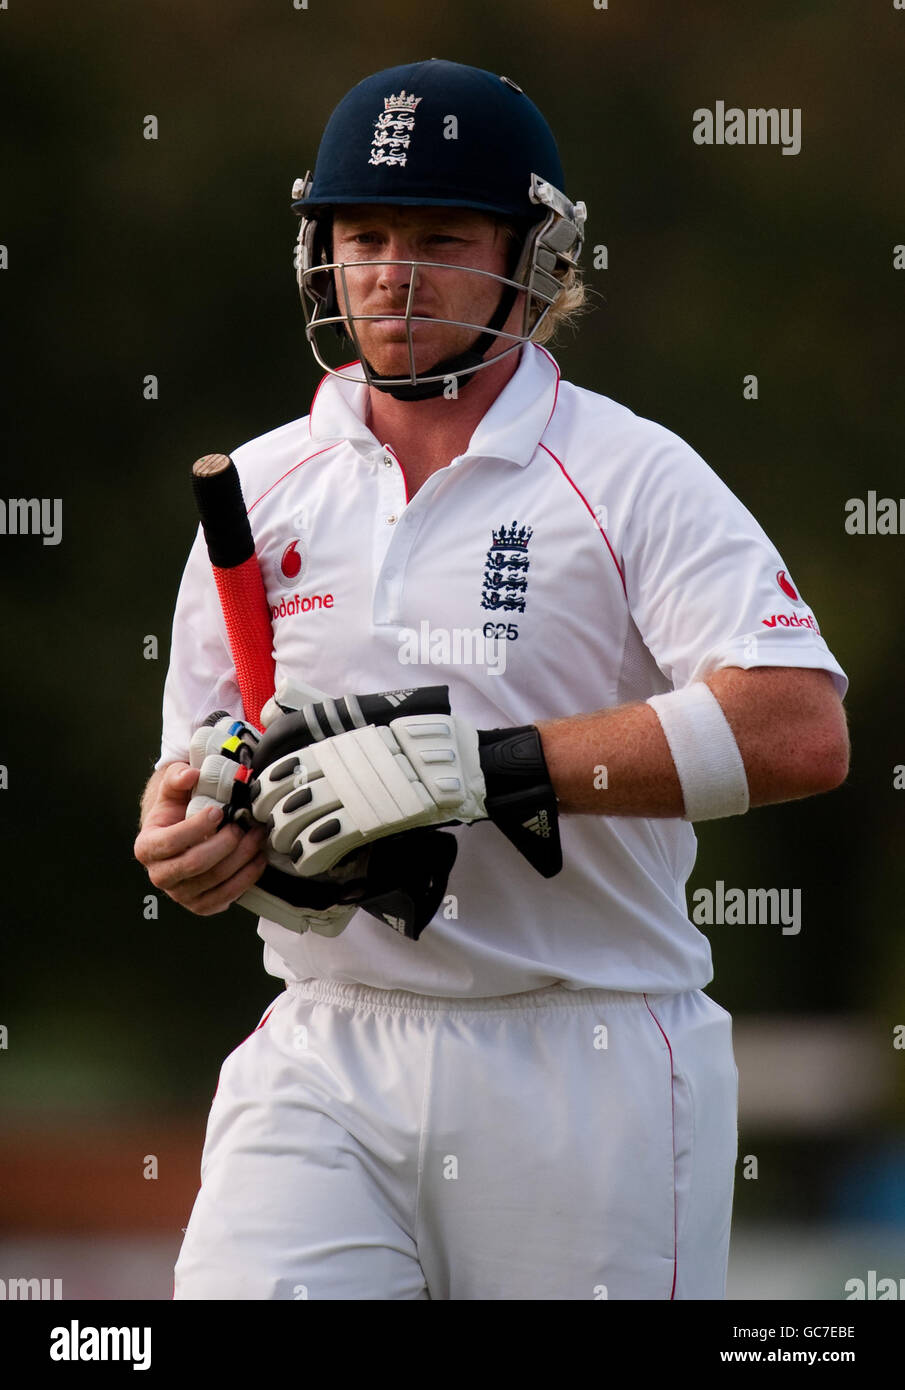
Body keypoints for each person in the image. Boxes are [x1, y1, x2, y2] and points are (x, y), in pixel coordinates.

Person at [134, 59, 849, 1300]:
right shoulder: (253, 489)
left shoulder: (631, 472)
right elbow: (204, 754)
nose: (392, 274)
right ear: (320, 250)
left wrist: (482, 768)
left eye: (440, 236)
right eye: (363, 234)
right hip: (329, 1042)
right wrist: (196, 841)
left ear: (538, 260)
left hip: (587, 1046)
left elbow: (797, 727)